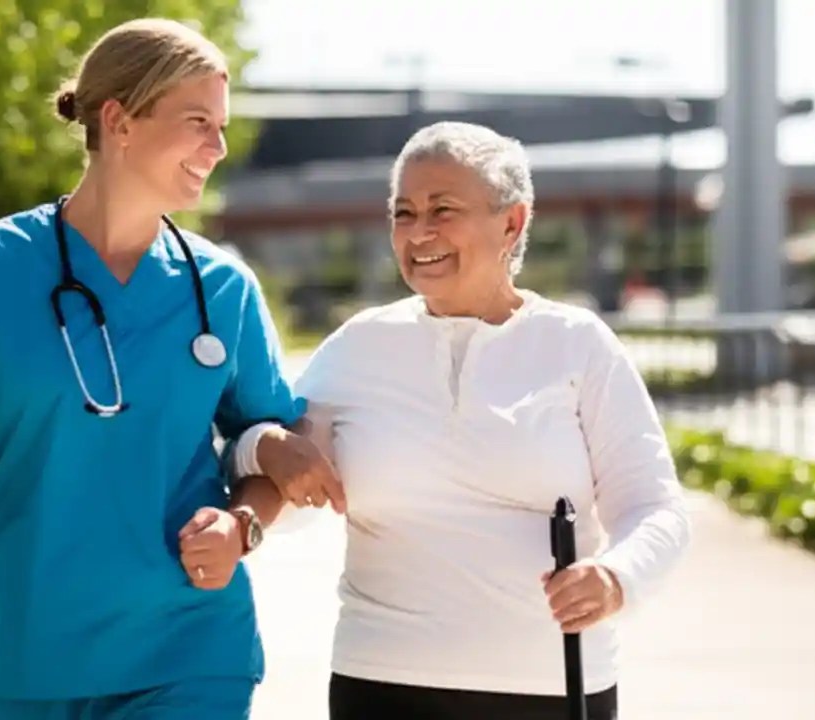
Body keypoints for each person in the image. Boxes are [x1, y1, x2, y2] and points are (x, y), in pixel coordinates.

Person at [0, 18, 340, 720]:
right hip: (23, 653)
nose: (218, 147)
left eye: (221, 125)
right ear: (119, 121)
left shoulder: (222, 288)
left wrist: (243, 525)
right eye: (197, 122)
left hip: (189, 649)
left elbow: (270, 443)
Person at [292, 121, 692, 720]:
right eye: (403, 213)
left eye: (442, 209)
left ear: (512, 222)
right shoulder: (355, 348)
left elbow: (656, 508)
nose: (419, 231)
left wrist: (615, 578)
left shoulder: (577, 344)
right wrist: (253, 464)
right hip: (381, 682)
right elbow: (281, 476)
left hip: (552, 689)